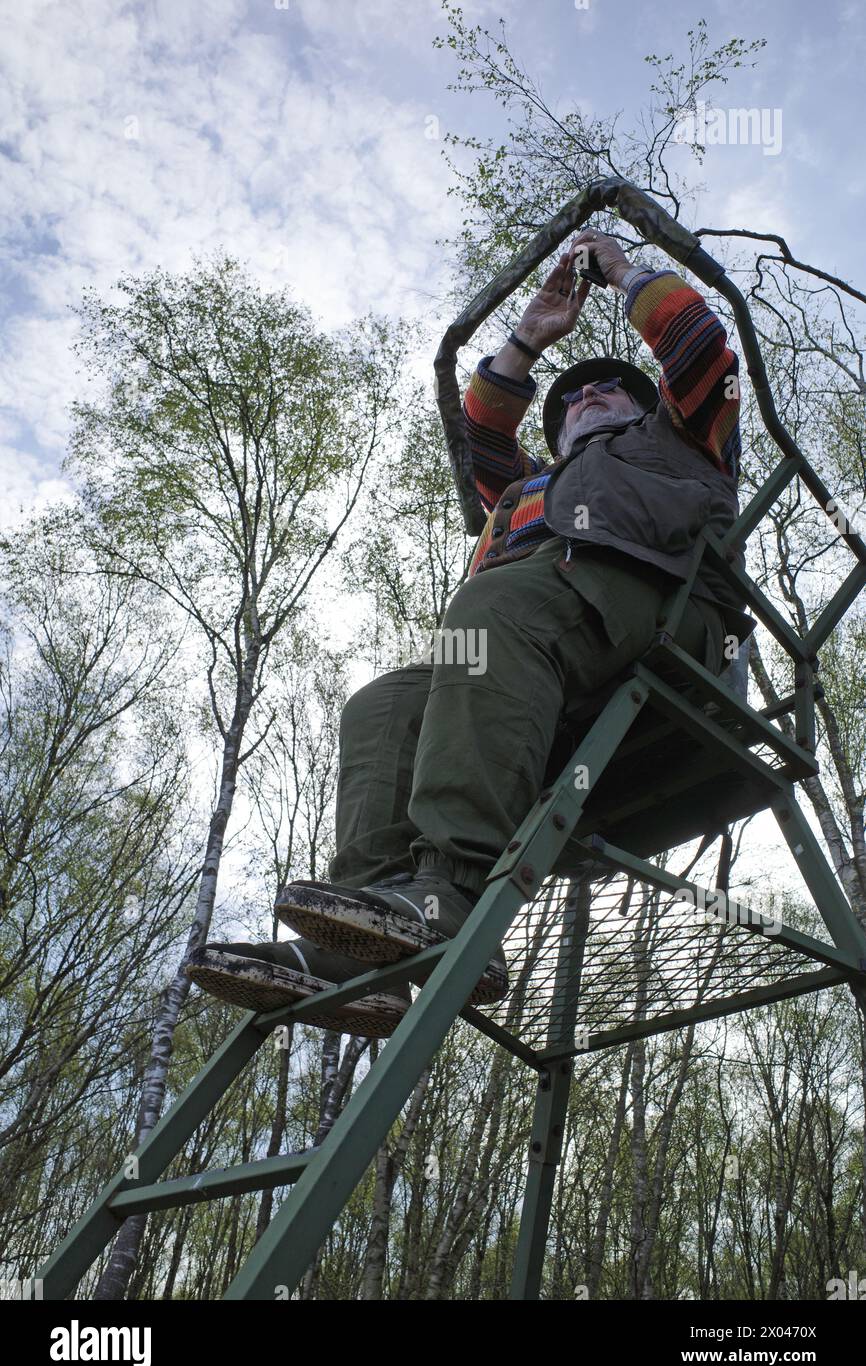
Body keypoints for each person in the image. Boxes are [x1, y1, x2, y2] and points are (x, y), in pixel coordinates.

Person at [186, 228, 756, 1035]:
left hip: (663, 622)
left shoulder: (684, 437)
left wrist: (623, 269)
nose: (588, 398)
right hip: (537, 656)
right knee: (383, 703)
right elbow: (482, 427)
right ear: (554, 437)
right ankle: (368, 938)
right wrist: (530, 337)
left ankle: (447, 889)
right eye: (572, 402)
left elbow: (700, 348)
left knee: (491, 611)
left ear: (645, 405)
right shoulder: (525, 490)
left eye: (608, 393)